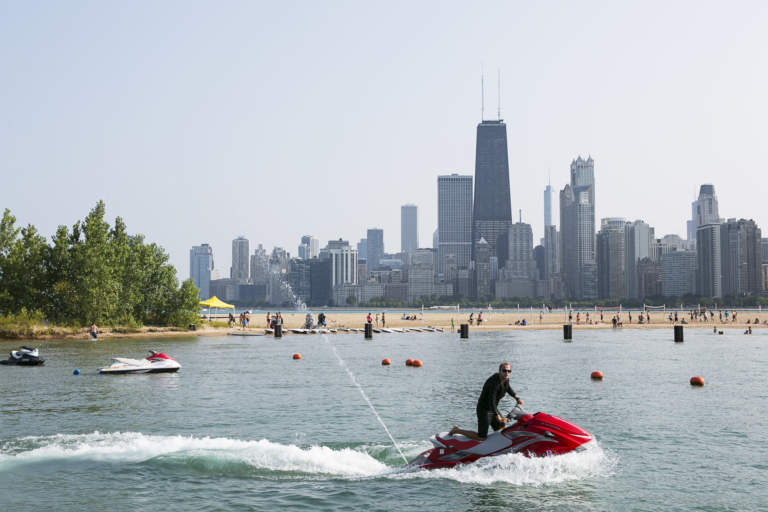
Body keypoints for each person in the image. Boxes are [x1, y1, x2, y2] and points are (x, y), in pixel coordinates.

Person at [448, 362, 523, 442]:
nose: (507, 373)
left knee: (503, 429)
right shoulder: (494, 383)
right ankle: (457, 430)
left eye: (509, 371)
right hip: (484, 410)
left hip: (493, 409)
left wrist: (517, 398)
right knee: (482, 437)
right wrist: (499, 418)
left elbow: (507, 388)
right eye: (504, 370)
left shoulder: (505, 379)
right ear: (499, 371)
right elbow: (491, 401)